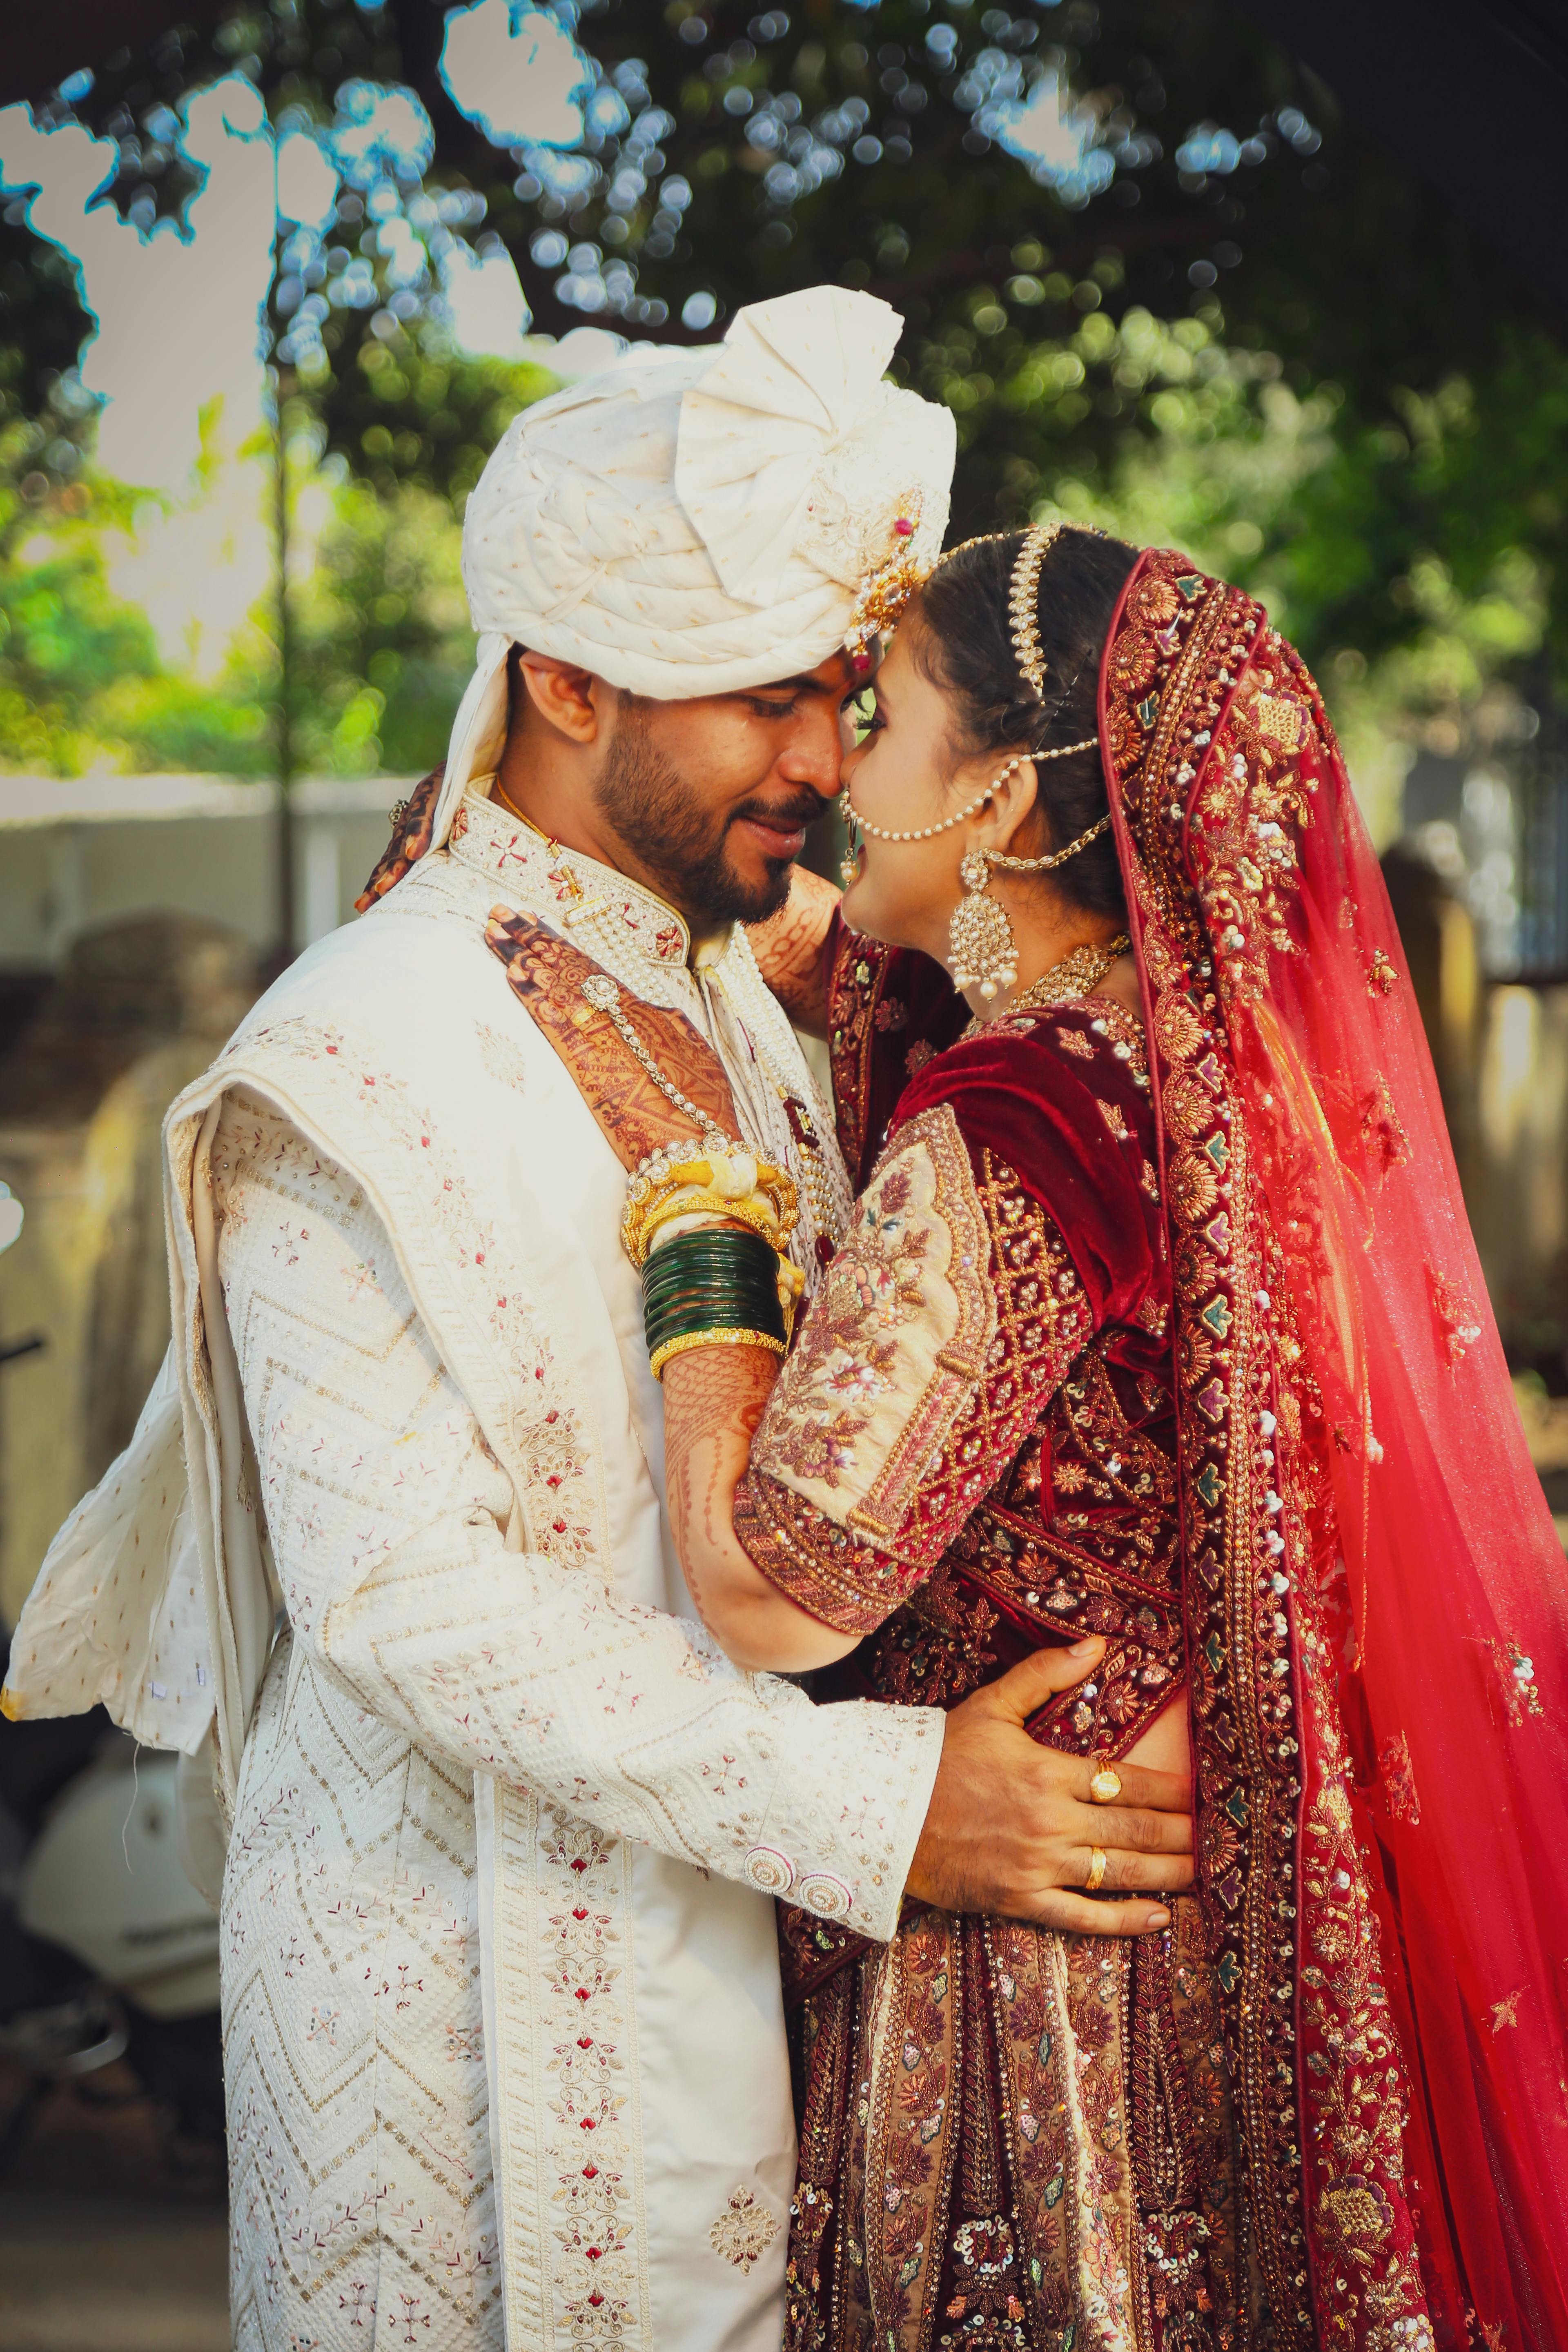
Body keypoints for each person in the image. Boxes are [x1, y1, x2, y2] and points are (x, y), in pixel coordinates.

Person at [0, 293, 1195, 2352]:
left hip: (762, 1991)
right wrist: (892, 1810)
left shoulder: (750, 999)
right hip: (463, 2043)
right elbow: (399, 1599)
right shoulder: (356, 1056)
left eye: (840, 696)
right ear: (560, 676)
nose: (824, 765)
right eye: (761, 705)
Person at [649, 523, 1568, 2348]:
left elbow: (783, 1586)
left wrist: (698, 1254)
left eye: (879, 714)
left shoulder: (1013, 1128)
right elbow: (863, 968)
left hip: (1033, 1981)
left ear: (991, 799)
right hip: (1214, 1946)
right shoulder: (1225, 1085)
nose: (836, 761)